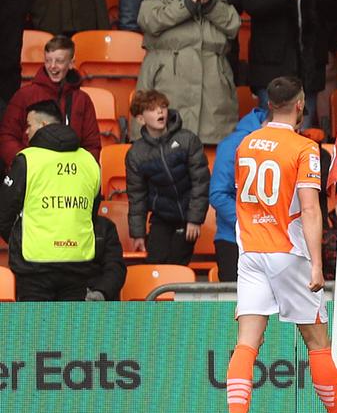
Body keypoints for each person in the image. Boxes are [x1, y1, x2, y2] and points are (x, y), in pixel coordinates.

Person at [222, 77, 337, 413]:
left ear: (266, 103)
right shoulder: (304, 148)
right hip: (287, 252)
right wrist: (316, 265)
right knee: (316, 341)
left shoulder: (245, 144)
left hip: (250, 251)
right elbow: (310, 208)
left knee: (247, 342)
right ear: (299, 105)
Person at [0, 100, 103, 301]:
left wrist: (19, 242)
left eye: (29, 125)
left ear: (43, 126)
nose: (26, 132)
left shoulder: (27, 159)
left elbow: (4, 211)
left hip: (34, 267)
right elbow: (90, 213)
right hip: (77, 264)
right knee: (70, 330)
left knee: (36, 330)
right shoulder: (89, 161)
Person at [137, 0, 242, 146]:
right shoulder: (157, 0)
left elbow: (233, 25)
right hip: (167, 86)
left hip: (214, 94)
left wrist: (210, 4)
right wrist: (188, 4)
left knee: (212, 158)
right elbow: (150, 21)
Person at [125, 87, 209, 264]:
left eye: (162, 106)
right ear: (140, 119)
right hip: (161, 217)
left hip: (187, 217)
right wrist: (138, 234)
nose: (159, 111)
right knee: (155, 263)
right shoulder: (136, 154)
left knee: (176, 264)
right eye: (152, 109)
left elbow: (200, 182)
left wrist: (194, 219)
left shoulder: (187, 140)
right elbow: (137, 196)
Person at [0, 34, 101, 165]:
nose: (52, 66)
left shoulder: (82, 100)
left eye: (59, 61)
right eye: (48, 60)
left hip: (70, 176)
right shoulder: (24, 96)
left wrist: (78, 169)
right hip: (33, 176)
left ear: (71, 63)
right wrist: (26, 164)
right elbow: (7, 136)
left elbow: (92, 145)